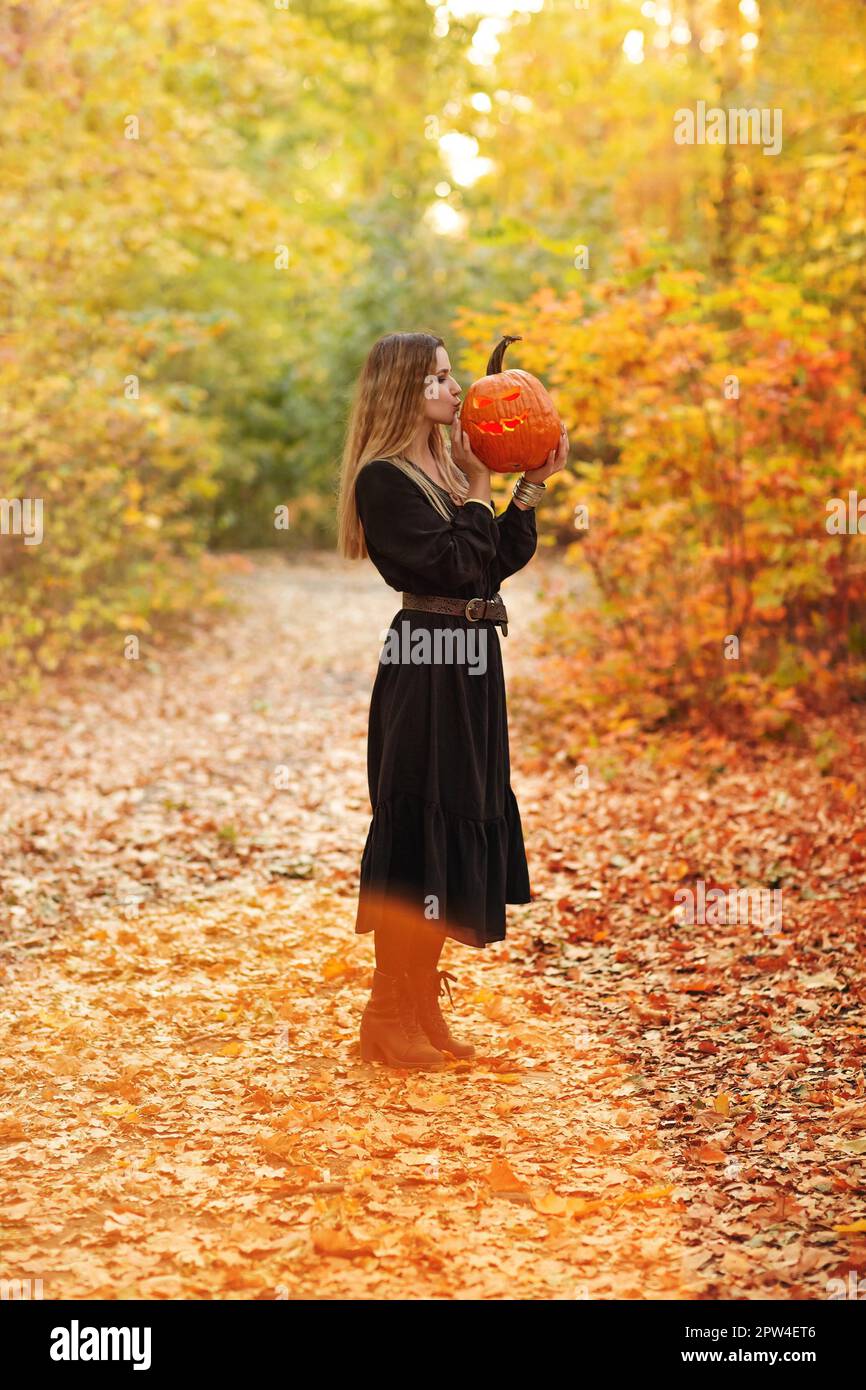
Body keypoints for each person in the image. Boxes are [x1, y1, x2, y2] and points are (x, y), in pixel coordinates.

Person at [337, 331, 568, 1070]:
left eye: (450, 374)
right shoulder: (383, 479)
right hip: (426, 660)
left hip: (470, 661)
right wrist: (477, 486)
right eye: (438, 378)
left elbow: (491, 563)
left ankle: (421, 1006)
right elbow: (447, 562)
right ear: (405, 389)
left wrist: (526, 487)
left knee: (458, 815)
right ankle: (386, 1013)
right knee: (419, 825)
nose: (455, 388)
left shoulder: (440, 467)